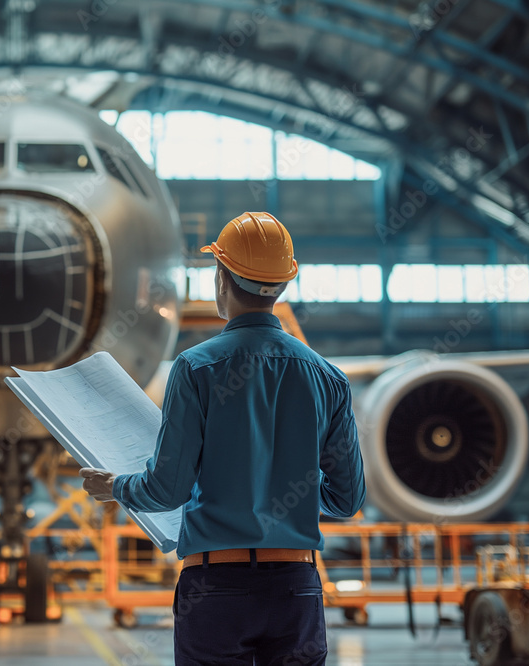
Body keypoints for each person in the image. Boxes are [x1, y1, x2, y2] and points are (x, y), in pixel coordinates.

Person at [80, 211, 366, 665]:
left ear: (221, 278)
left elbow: (166, 490)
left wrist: (114, 486)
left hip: (216, 589)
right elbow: (347, 499)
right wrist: (294, 493)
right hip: (297, 586)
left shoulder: (196, 368)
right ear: (284, 284)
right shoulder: (328, 378)